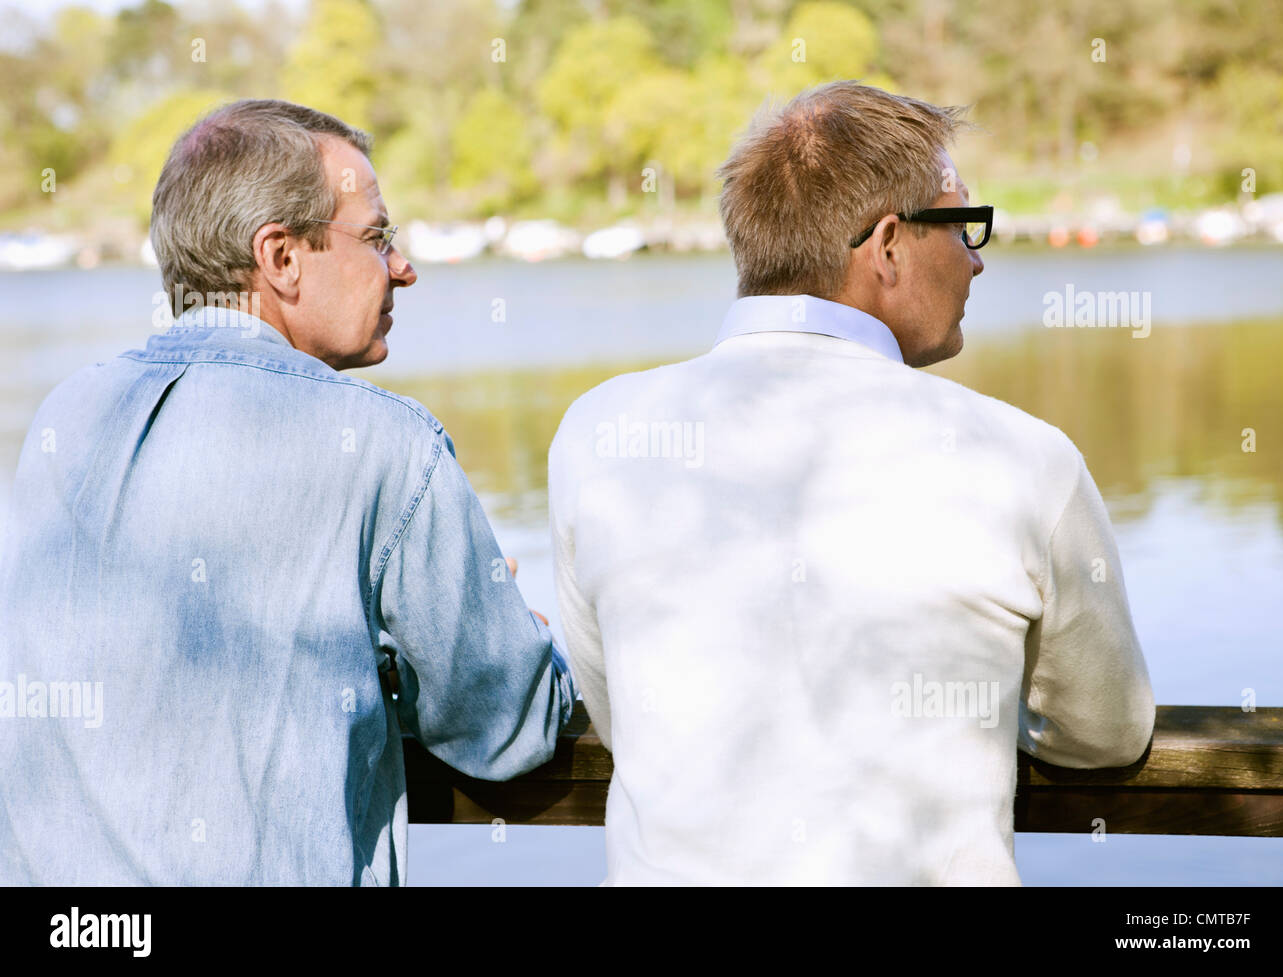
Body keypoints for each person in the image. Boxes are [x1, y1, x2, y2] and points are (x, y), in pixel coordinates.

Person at [547, 81, 1155, 884]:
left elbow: (626, 720)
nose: (976, 259)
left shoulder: (598, 433)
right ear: (890, 245)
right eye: (962, 222)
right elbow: (1107, 730)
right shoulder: (1021, 457)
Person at [0, 99, 573, 885]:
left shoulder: (65, 417)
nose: (403, 267)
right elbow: (507, 726)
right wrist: (468, 641)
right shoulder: (386, 444)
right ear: (280, 257)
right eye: (376, 237)